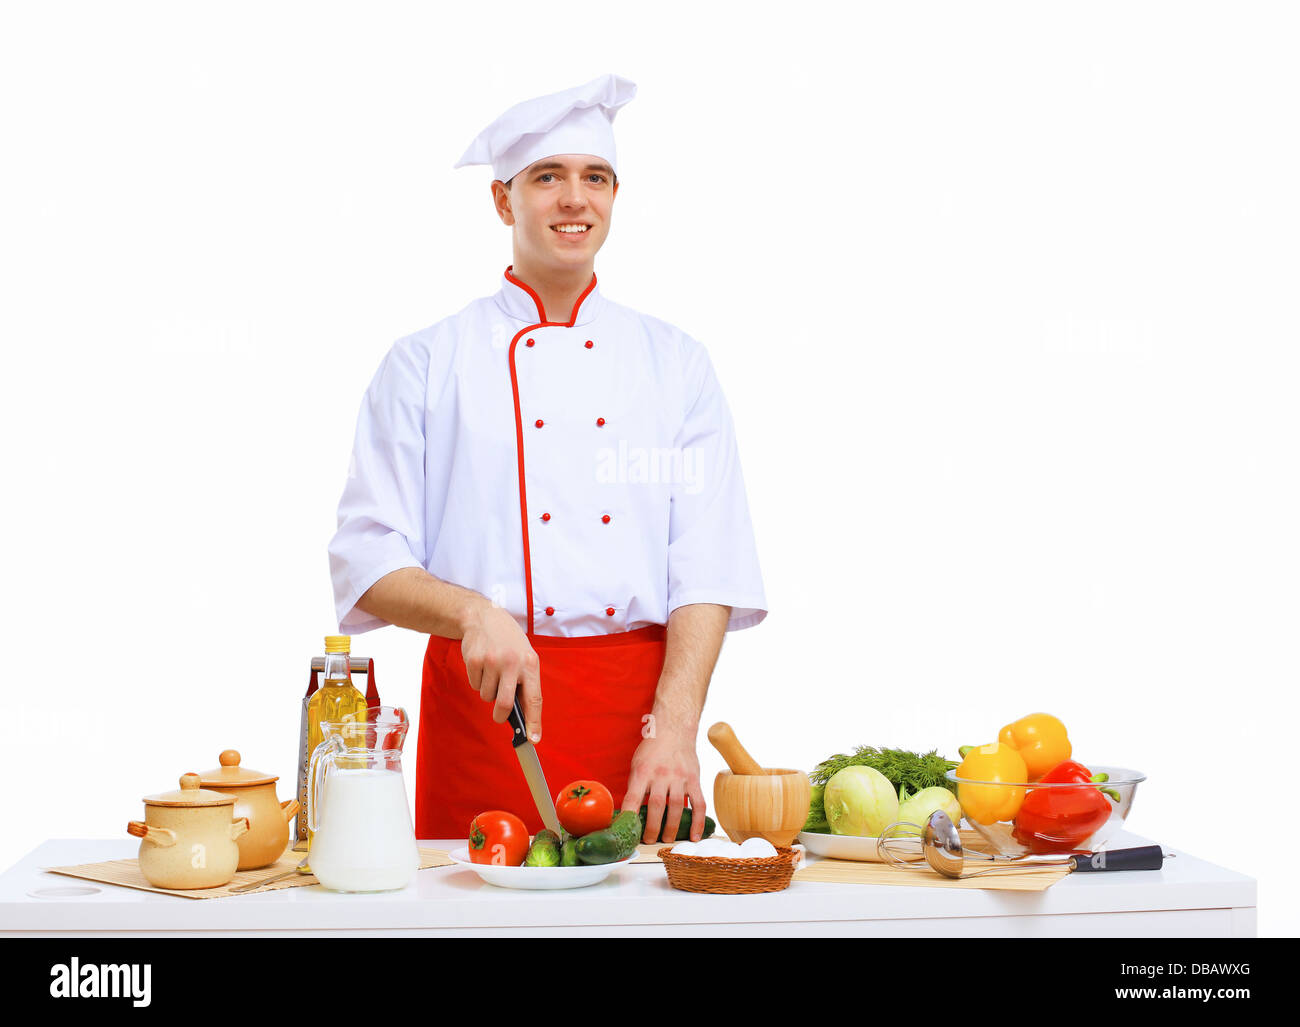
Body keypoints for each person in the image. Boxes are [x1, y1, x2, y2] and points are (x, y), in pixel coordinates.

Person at [328, 74, 765, 845]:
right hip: (487, 717)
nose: (574, 199)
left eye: (593, 177)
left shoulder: (675, 363)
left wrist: (673, 730)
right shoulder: (428, 362)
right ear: (503, 202)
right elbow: (367, 555)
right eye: (547, 178)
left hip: (641, 727)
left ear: (615, 196)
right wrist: (472, 612)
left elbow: (708, 565)